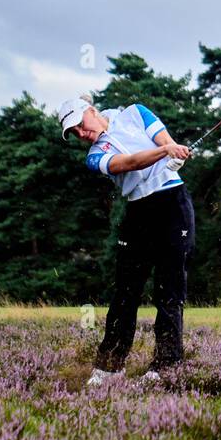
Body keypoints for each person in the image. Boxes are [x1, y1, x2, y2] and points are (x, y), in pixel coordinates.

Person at [57, 94, 194, 386]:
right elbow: (129, 163)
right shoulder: (94, 157)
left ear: (91, 111)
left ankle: (166, 366)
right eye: (74, 133)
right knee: (125, 292)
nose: (81, 133)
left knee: (169, 290)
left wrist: (173, 155)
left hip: (173, 204)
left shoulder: (136, 112)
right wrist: (167, 151)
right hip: (139, 211)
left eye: (80, 124)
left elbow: (163, 139)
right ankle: (109, 367)